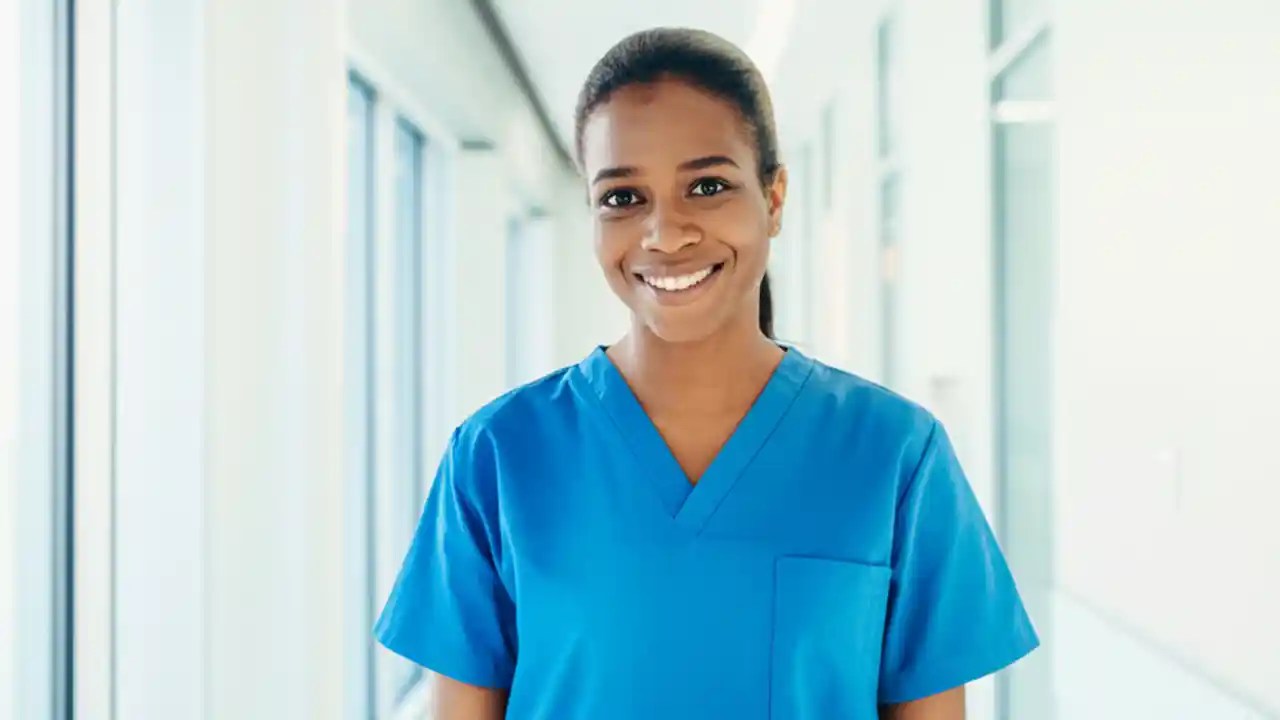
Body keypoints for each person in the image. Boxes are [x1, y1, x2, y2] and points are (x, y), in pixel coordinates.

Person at [374, 27, 1038, 720]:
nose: (665, 233)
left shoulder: (896, 456)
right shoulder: (496, 458)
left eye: (708, 185)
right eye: (623, 198)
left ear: (774, 199)